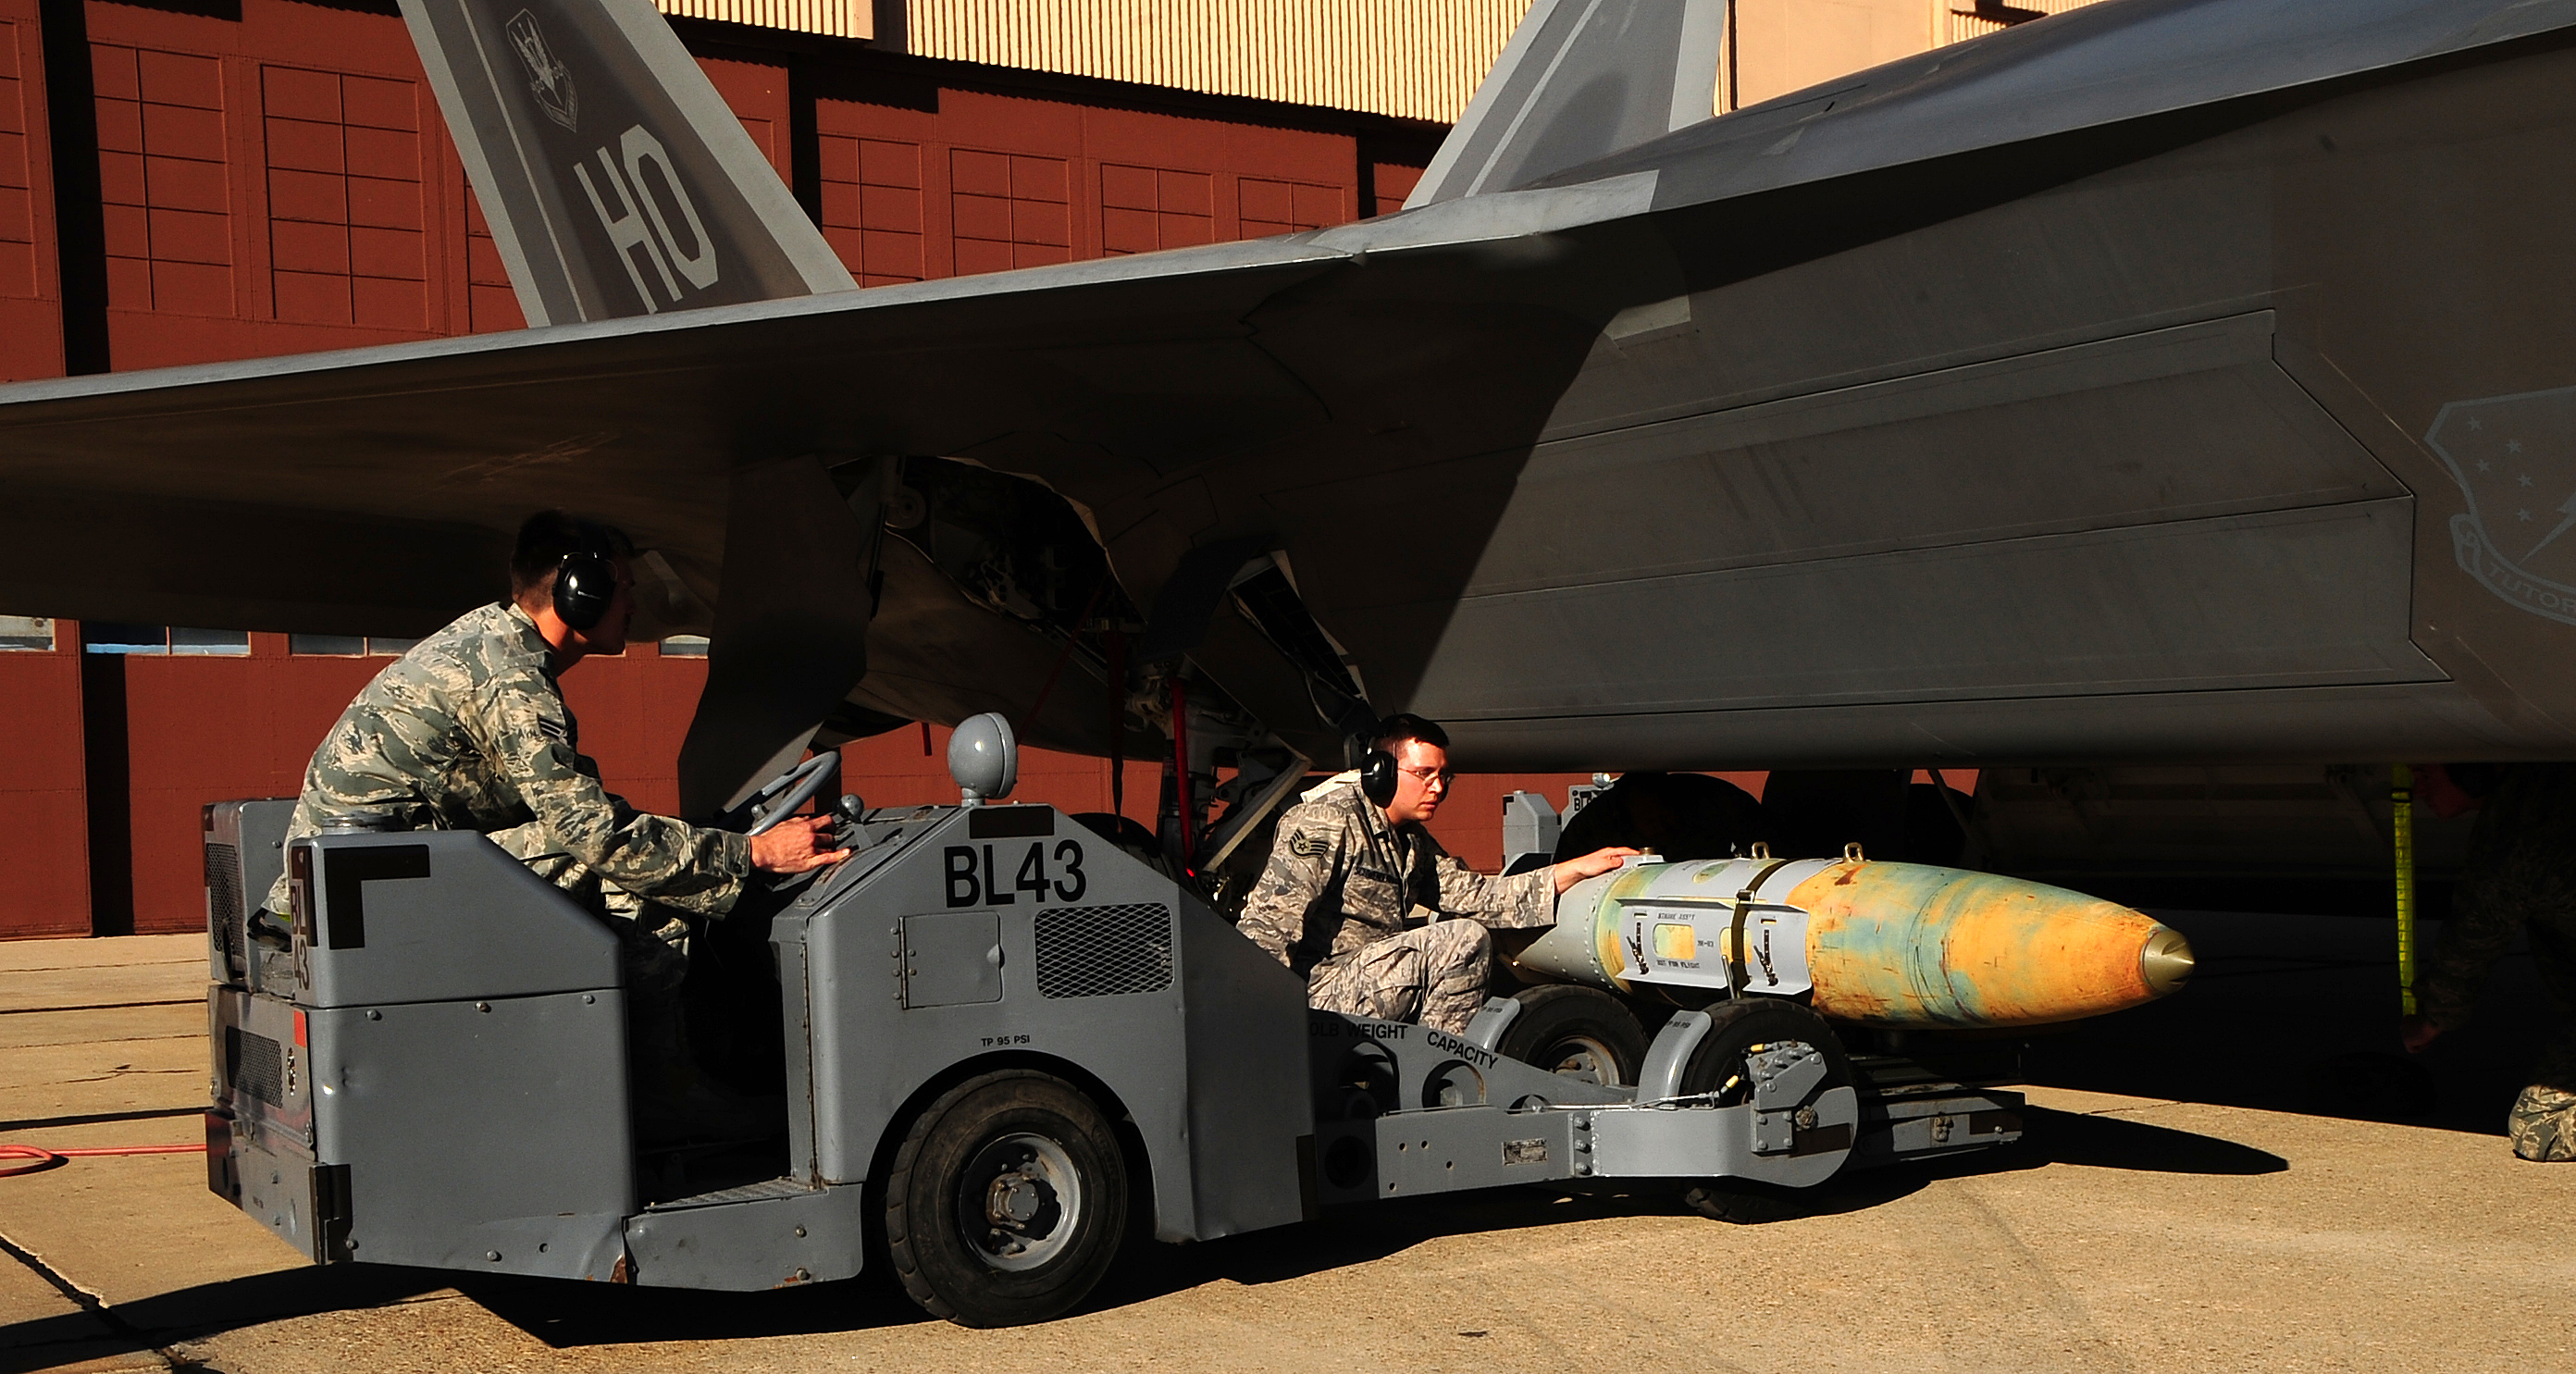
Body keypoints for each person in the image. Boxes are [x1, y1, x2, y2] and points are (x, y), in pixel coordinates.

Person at [261, 512, 848, 1128]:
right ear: (581, 591)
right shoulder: (510, 679)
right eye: (625, 589)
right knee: (632, 885)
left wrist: (695, 838)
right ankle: (671, 1105)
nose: (634, 605)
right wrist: (751, 855)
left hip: (354, 882)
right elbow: (593, 834)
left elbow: (566, 804)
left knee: (636, 852)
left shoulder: (495, 645)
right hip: (371, 893)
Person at [1235, 714, 1640, 1034]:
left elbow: (1478, 898)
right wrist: (1264, 1032)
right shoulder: (1328, 821)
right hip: (1313, 997)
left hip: (1363, 986)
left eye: (1444, 776)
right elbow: (1269, 926)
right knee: (1462, 938)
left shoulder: (1411, 841)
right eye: (1424, 774)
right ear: (1381, 772)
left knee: (1464, 924)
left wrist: (1574, 869)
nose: (1438, 788)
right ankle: (1440, 1068)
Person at [2401, 762, 2576, 1161]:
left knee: (2539, 1130)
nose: (2418, 791)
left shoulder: (2518, 833)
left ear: (2472, 772)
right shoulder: (2548, 792)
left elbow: (2472, 939)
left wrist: (2433, 1018)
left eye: (2428, 776)